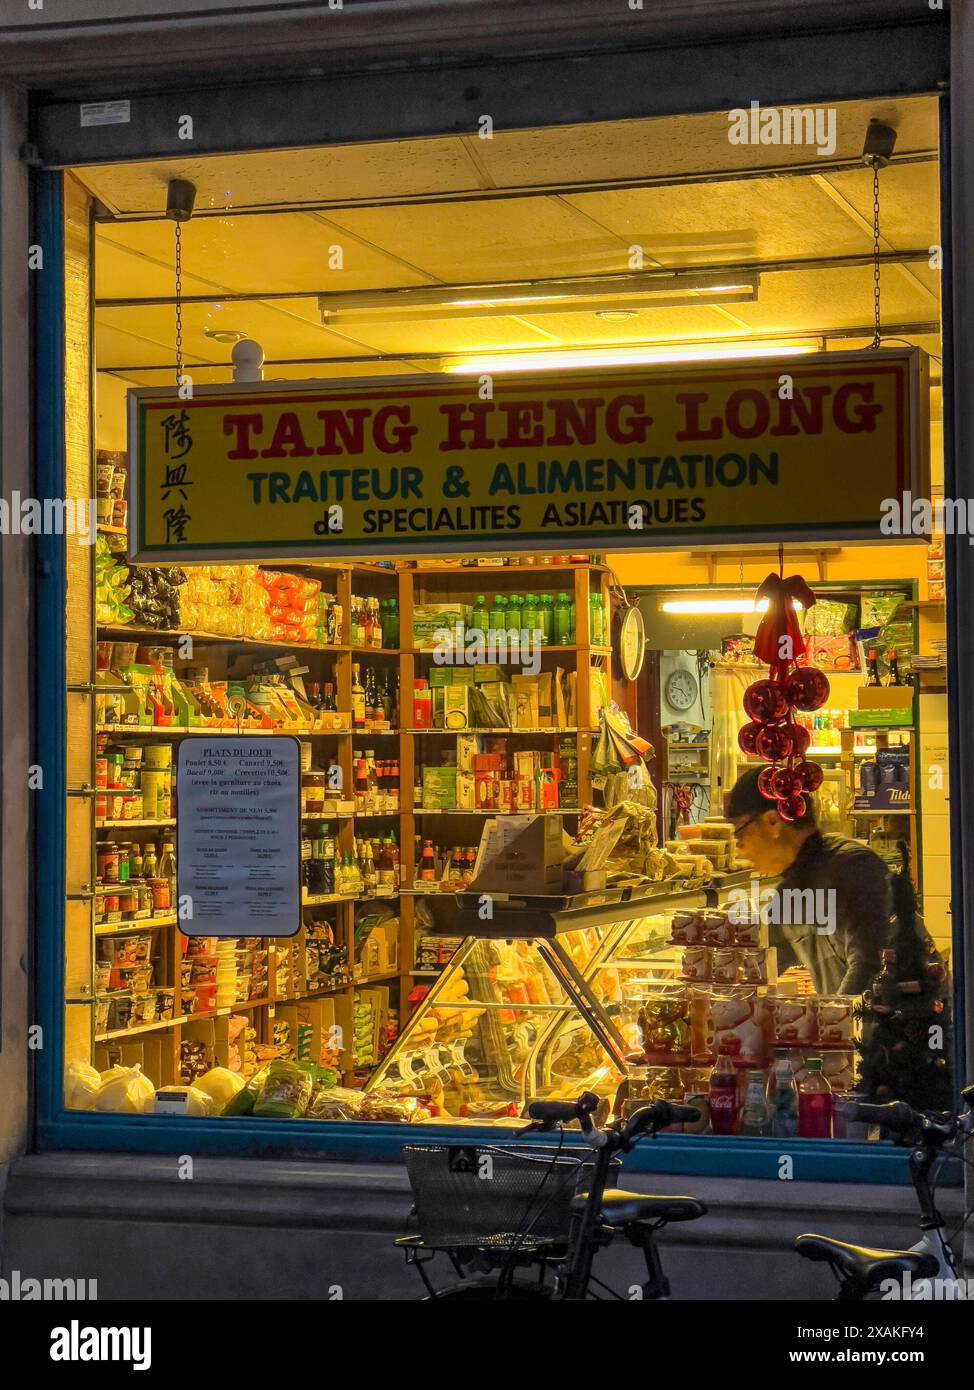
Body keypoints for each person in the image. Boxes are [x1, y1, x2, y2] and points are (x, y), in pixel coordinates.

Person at [726, 766, 892, 995]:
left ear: (772, 822)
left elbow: (870, 965)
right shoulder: (789, 893)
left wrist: (834, 1021)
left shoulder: (853, 868)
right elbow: (759, 970)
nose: (739, 846)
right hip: (849, 1026)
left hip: (904, 1024)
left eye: (739, 832)